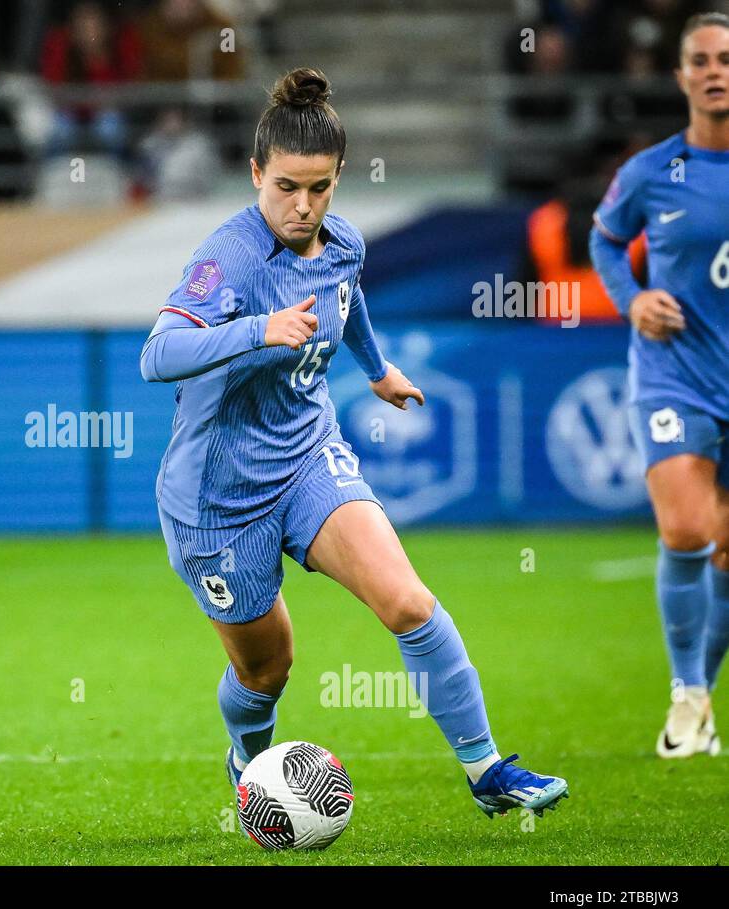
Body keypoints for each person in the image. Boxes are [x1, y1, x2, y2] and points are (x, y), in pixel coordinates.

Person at [141, 67, 569, 819]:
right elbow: (157, 354)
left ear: (339, 178)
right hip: (216, 499)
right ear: (254, 175)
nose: (303, 206)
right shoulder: (230, 257)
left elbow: (349, 295)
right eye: (285, 187)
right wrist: (254, 329)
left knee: (407, 600)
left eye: (320, 187)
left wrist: (377, 369)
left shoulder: (342, 241)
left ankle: (488, 770)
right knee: (267, 668)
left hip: (308, 455)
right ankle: (248, 761)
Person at [590, 12, 729, 758]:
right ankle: (686, 694)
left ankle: (697, 703)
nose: (715, 71)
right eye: (701, 61)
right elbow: (605, 238)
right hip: (676, 377)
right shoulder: (653, 172)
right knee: (686, 530)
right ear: (680, 77)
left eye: (726, 59)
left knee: (728, 551)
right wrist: (633, 298)